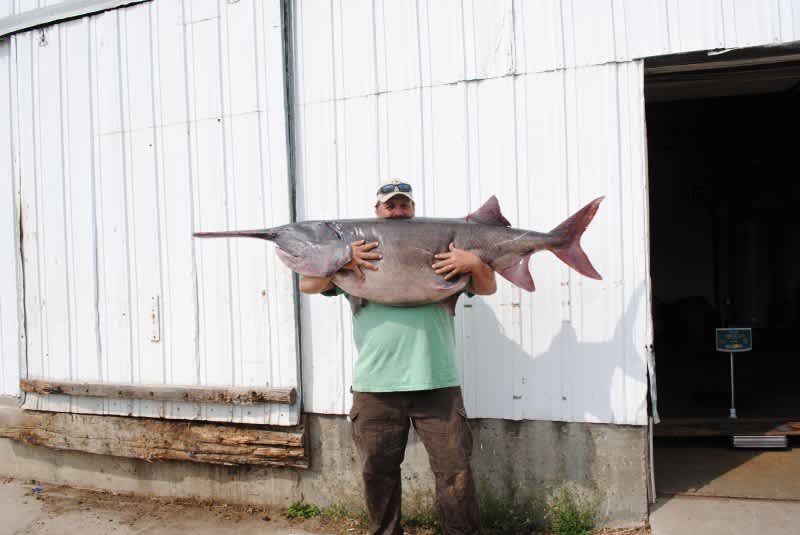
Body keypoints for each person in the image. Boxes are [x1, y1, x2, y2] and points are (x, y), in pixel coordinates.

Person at [299, 179, 496, 535]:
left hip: (437, 381)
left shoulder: (442, 253)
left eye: (403, 204)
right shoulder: (356, 259)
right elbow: (307, 284)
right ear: (377, 212)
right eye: (390, 205)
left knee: (455, 471)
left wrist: (474, 262)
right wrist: (343, 257)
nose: (397, 210)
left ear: (413, 209)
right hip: (376, 385)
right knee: (378, 473)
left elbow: (486, 287)